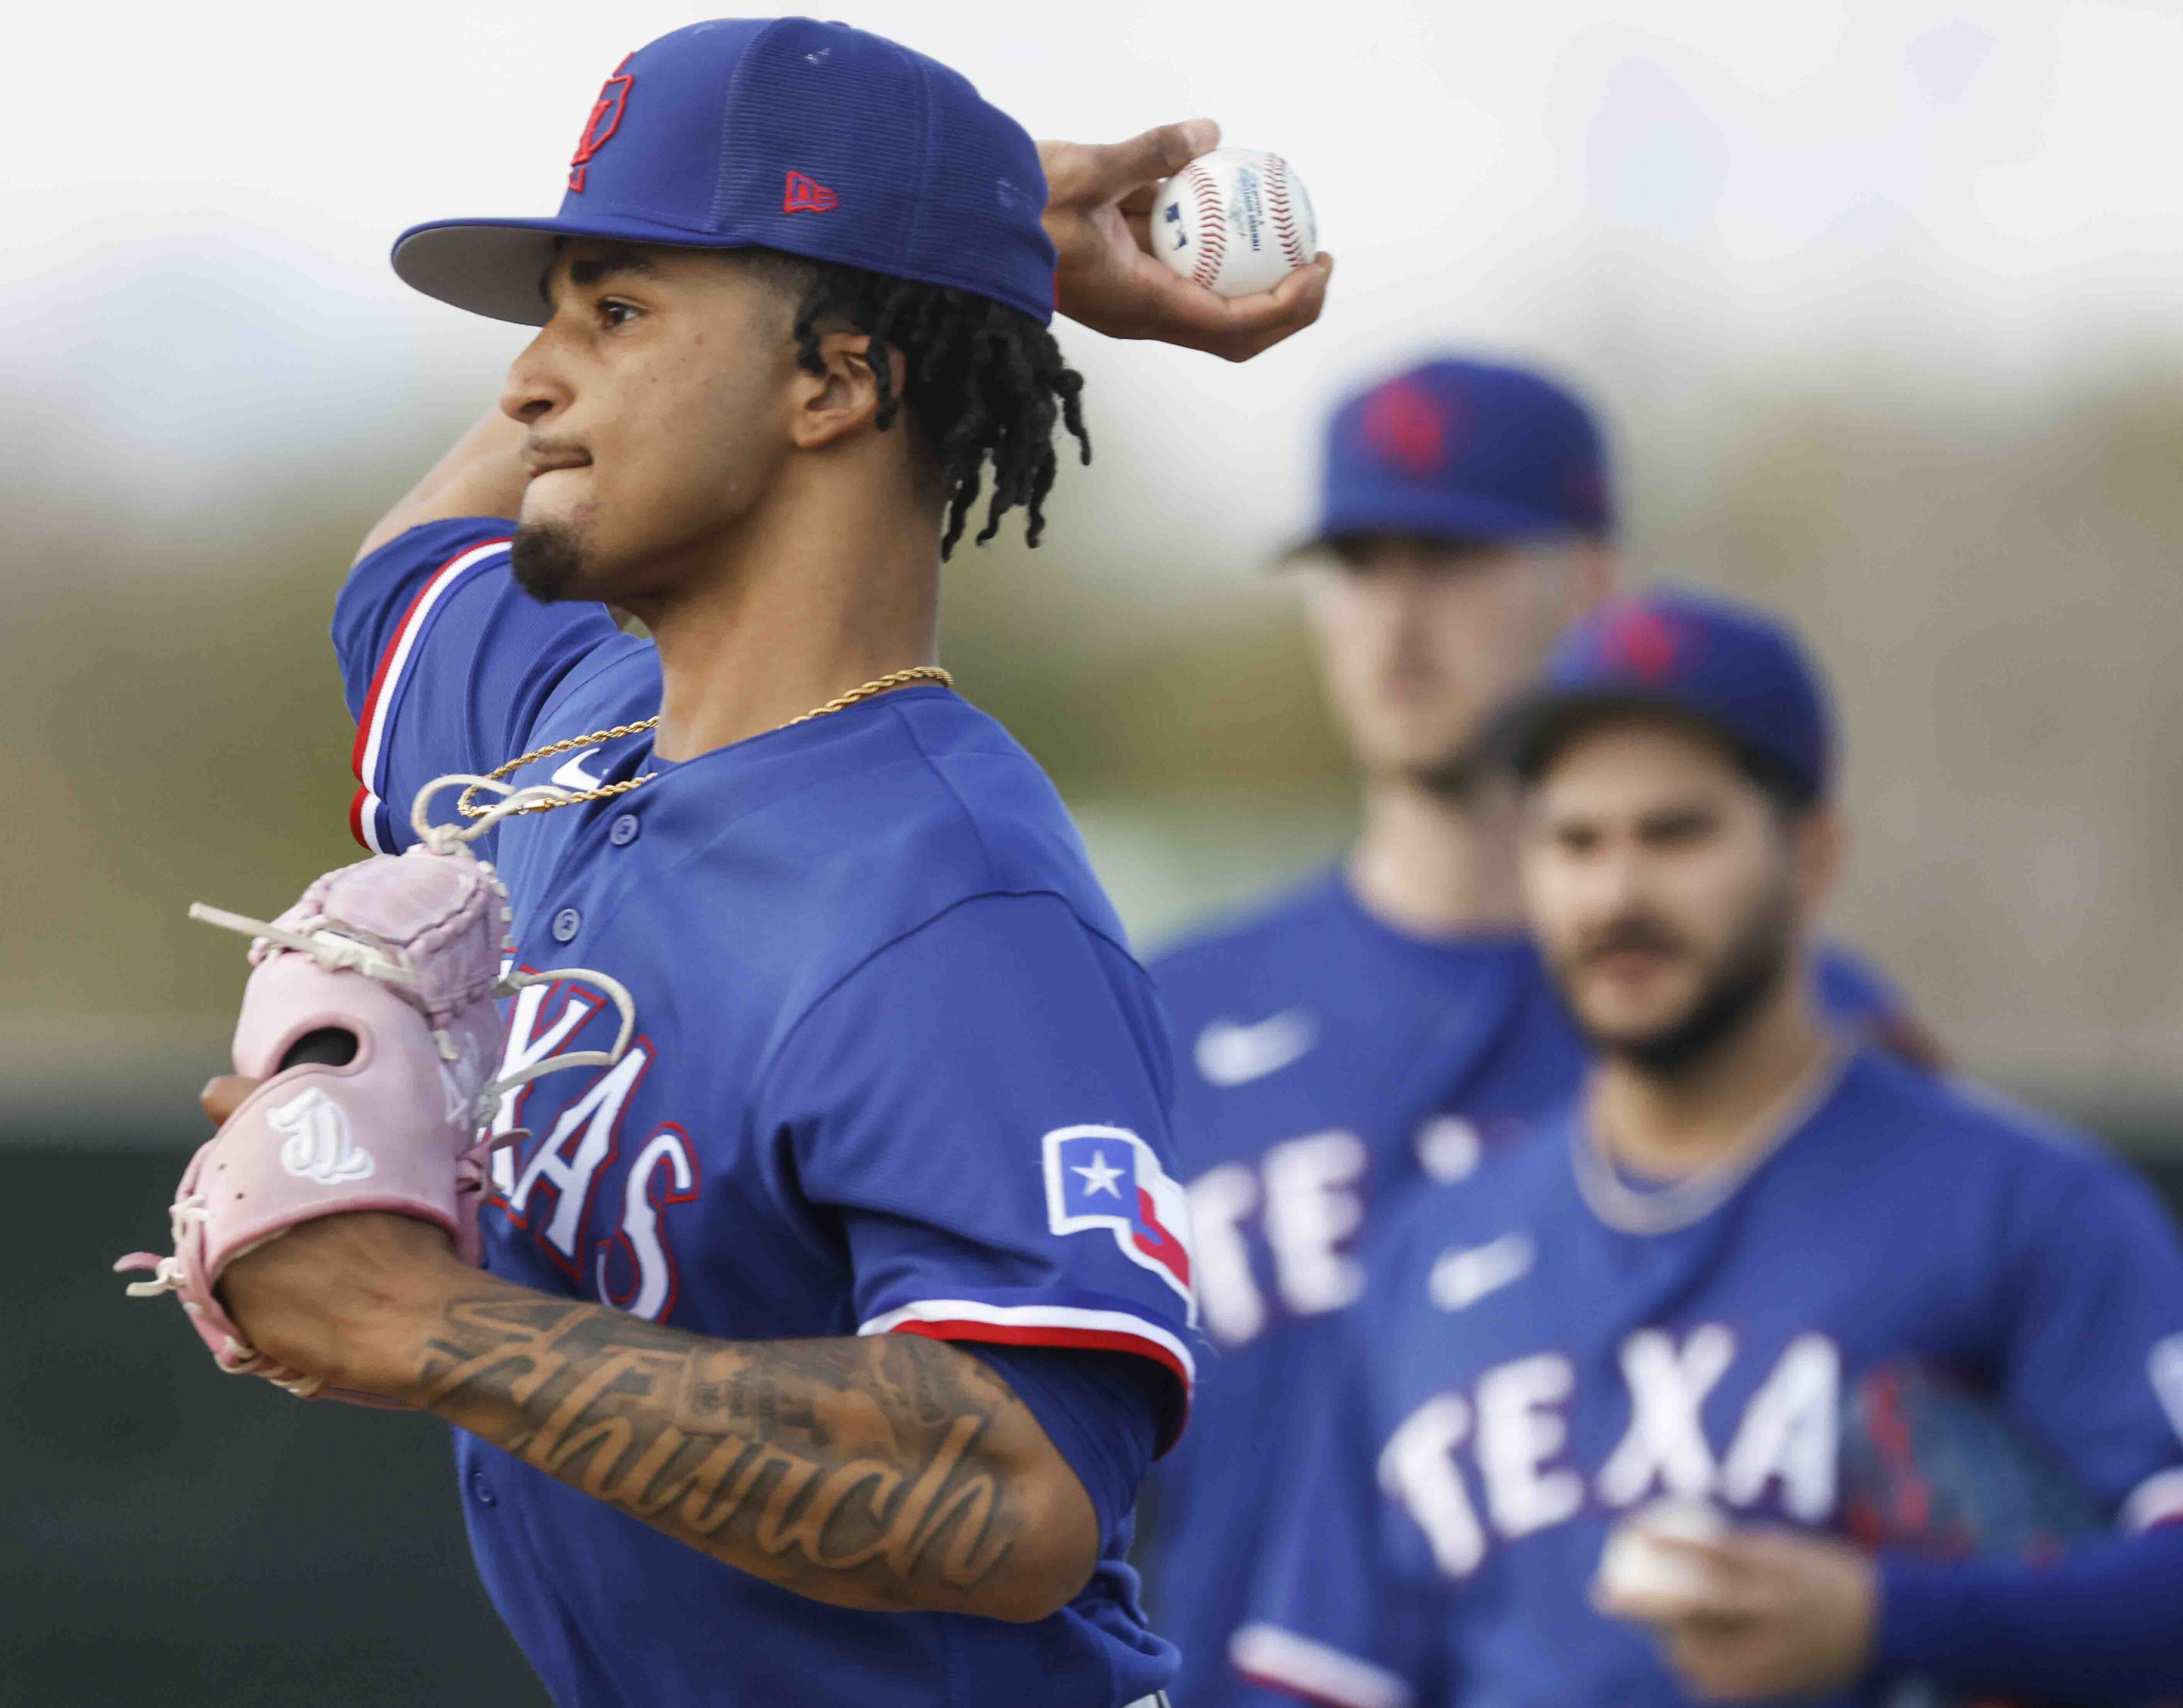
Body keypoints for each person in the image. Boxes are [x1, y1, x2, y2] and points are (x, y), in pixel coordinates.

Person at [180, 19, 1329, 1708]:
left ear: (837, 381)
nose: (528, 382)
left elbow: (1021, 1486)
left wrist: (425, 1320)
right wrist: (982, 224)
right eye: (551, 312)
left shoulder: (953, 902)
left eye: (616, 312)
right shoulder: (567, 727)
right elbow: (409, 571)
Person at [1139, 359, 1935, 1707]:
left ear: (1591, 586)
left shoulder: (1794, 1027)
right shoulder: (1167, 1011)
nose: (1395, 622)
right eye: (1355, 566)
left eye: (1451, 561)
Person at [1230, 589, 2183, 1706]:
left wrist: (1889, 1620)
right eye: (1574, 841)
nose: (1617, 893)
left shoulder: (2025, 1207)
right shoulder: (1426, 1250)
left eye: (1675, 834)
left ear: (1811, 852)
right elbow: (1317, 1675)